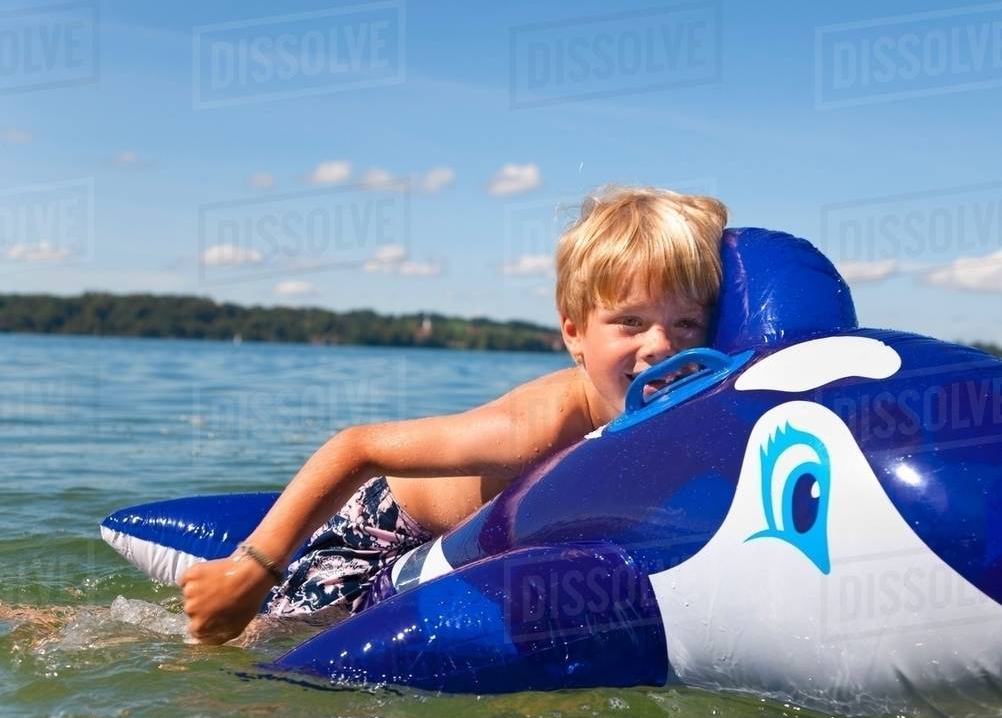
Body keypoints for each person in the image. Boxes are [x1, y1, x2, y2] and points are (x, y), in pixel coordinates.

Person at [181, 185, 729, 644]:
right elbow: (358, 447)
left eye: (685, 325)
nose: (662, 346)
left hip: (471, 542)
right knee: (267, 646)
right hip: (379, 536)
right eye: (630, 322)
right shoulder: (535, 429)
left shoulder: (673, 406)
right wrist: (254, 567)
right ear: (574, 334)